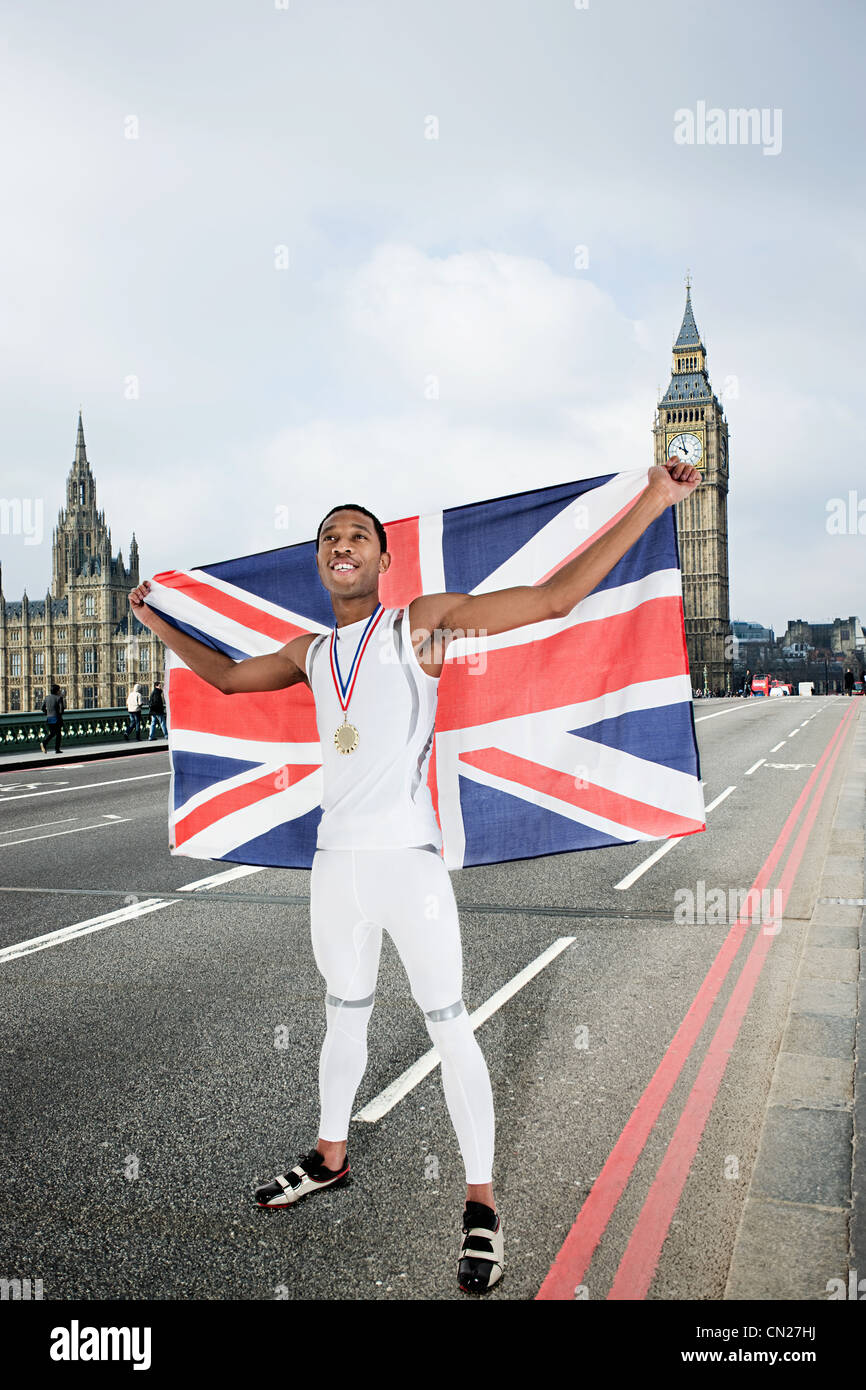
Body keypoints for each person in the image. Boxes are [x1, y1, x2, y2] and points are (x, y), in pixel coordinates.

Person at [127, 459, 700, 1294]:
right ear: (319, 563)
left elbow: (551, 600)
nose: (341, 545)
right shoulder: (312, 651)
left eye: (358, 534)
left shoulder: (420, 627)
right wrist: (154, 619)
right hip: (336, 869)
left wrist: (655, 498)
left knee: (449, 1026)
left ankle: (480, 1206)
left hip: (409, 864)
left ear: (383, 558)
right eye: (329, 537)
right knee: (342, 1019)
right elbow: (220, 677)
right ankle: (330, 1156)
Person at [39, 683, 66, 755]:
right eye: (59, 690)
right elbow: (61, 711)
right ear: (57, 691)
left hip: (49, 718)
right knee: (58, 734)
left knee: (53, 733)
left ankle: (46, 743)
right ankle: (54, 747)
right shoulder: (59, 698)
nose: (60, 691)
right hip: (56, 718)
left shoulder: (47, 698)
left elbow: (42, 708)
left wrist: (47, 713)